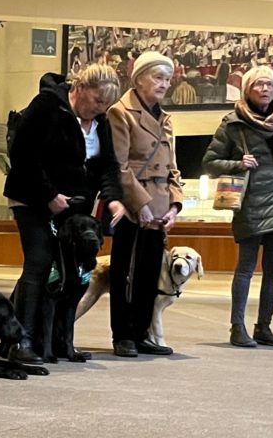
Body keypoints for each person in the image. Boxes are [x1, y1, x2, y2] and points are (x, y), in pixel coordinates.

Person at [3, 64, 127, 363]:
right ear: (80, 88)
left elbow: (108, 165)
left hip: (71, 206)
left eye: (107, 105)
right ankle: (21, 342)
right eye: (98, 100)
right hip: (32, 198)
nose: (101, 109)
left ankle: (55, 341)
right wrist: (48, 195)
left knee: (66, 273)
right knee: (40, 262)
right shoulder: (47, 105)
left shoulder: (100, 121)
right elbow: (24, 155)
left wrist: (112, 198)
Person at [203, 66, 273, 348]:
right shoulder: (233, 123)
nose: (265, 89)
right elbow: (209, 163)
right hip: (251, 204)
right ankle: (237, 327)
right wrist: (237, 164)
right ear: (247, 89)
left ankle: (264, 327)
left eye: (269, 84)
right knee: (245, 268)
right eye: (259, 84)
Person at [106, 52, 184, 357]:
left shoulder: (165, 118)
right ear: (139, 79)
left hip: (161, 210)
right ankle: (123, 335)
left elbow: (172, 167)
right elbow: (119, 165)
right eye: (158, 77)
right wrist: (141, 204)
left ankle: (141, 333)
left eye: (168, 79)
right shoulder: (120, 112)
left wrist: (175, 206)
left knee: (150, 273)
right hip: (132, 208)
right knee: (125, 273)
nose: (164, 84)